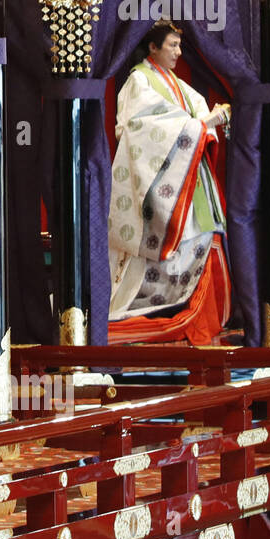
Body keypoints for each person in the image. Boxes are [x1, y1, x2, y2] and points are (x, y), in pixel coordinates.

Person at [107, 20, 231, 340]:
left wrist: (204, 124)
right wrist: (202, 125)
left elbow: (194, 118)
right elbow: (138, 127)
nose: (178, 52)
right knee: (163, 258)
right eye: (172, 45)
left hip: (190, 178)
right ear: (152, 47)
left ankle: (199, 322)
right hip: (160, 183)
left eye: (179, 45)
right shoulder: (138, 80)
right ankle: (163, 319)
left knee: (201, 243)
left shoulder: (177, 84)